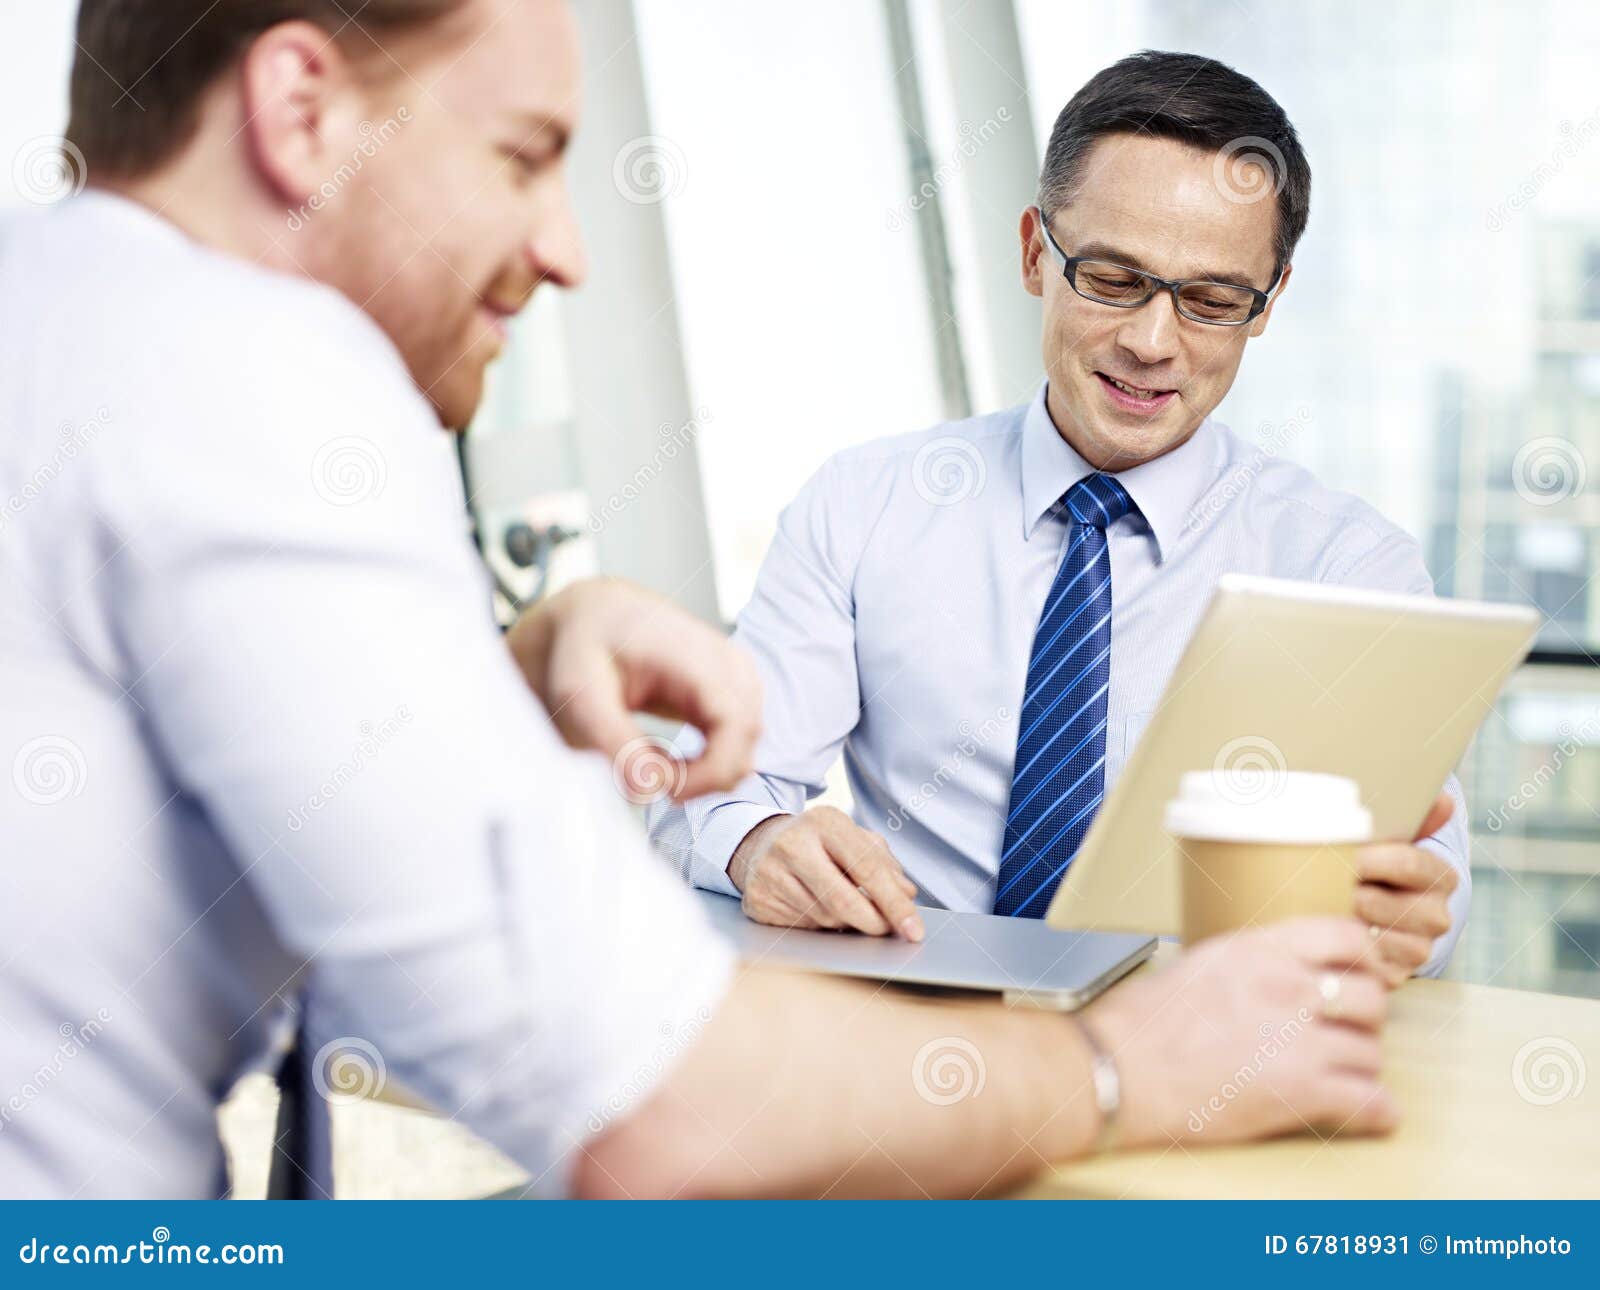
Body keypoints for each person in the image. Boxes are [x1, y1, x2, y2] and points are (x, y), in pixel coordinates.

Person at [0, 2, 1395, 1200]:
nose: (566, 250)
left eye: (1210, 299)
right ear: (302, 111)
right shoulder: (261, 378)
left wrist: (495, 682)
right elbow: (649, 1103)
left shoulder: (59, 312)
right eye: (523, 157)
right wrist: (1121, 1064)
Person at [649, 50, 1466, 987]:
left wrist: (1405, 922)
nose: (1152, 344)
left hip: (1211, 1053)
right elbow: (701, 792)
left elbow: (1431, 884)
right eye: (1115, 279)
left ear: (1268, 303)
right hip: (908, 1043)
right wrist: (760, 846)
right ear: (1037, 252)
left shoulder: (1346, 567)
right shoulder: (864, 507)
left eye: (1210, 301)